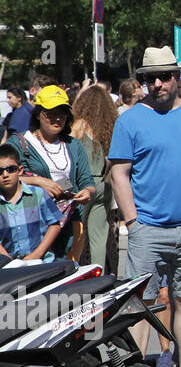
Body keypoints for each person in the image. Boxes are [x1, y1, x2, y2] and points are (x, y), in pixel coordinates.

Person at [108, 47, 181, 367]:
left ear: (177, 77)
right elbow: (119, 174)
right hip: (148, 228)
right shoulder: (129, 120)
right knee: (141, 304)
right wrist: (133, 222)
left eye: (164, 76)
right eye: (149, 78)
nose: (157, 84)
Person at [12, 86, 95, 262]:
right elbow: (5, 178)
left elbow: (87, 180)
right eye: (51, 113)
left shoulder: (74, 145)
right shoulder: (19, 143)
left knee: (66, 278)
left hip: (71, 223)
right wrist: (38, 181)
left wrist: (87, 192)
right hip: (33, 225)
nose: (58, 118)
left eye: (63, 112)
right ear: (37, 114)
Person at [70, 84, 117, 268]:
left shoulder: (80, 125)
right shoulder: (111, 127)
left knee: (79, 235)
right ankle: (99, 277)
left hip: (84, 186)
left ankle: (74, 274)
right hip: (105, 185)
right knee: (99, 237)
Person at [0, 141, 64, 261]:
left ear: (20, 170)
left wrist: (37, 254)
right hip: (8, 266)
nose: (5, 175)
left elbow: (54, 225)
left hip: (41, 263)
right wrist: (8, 261)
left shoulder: (38, 194)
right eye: (0, 171)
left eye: (11, 169)